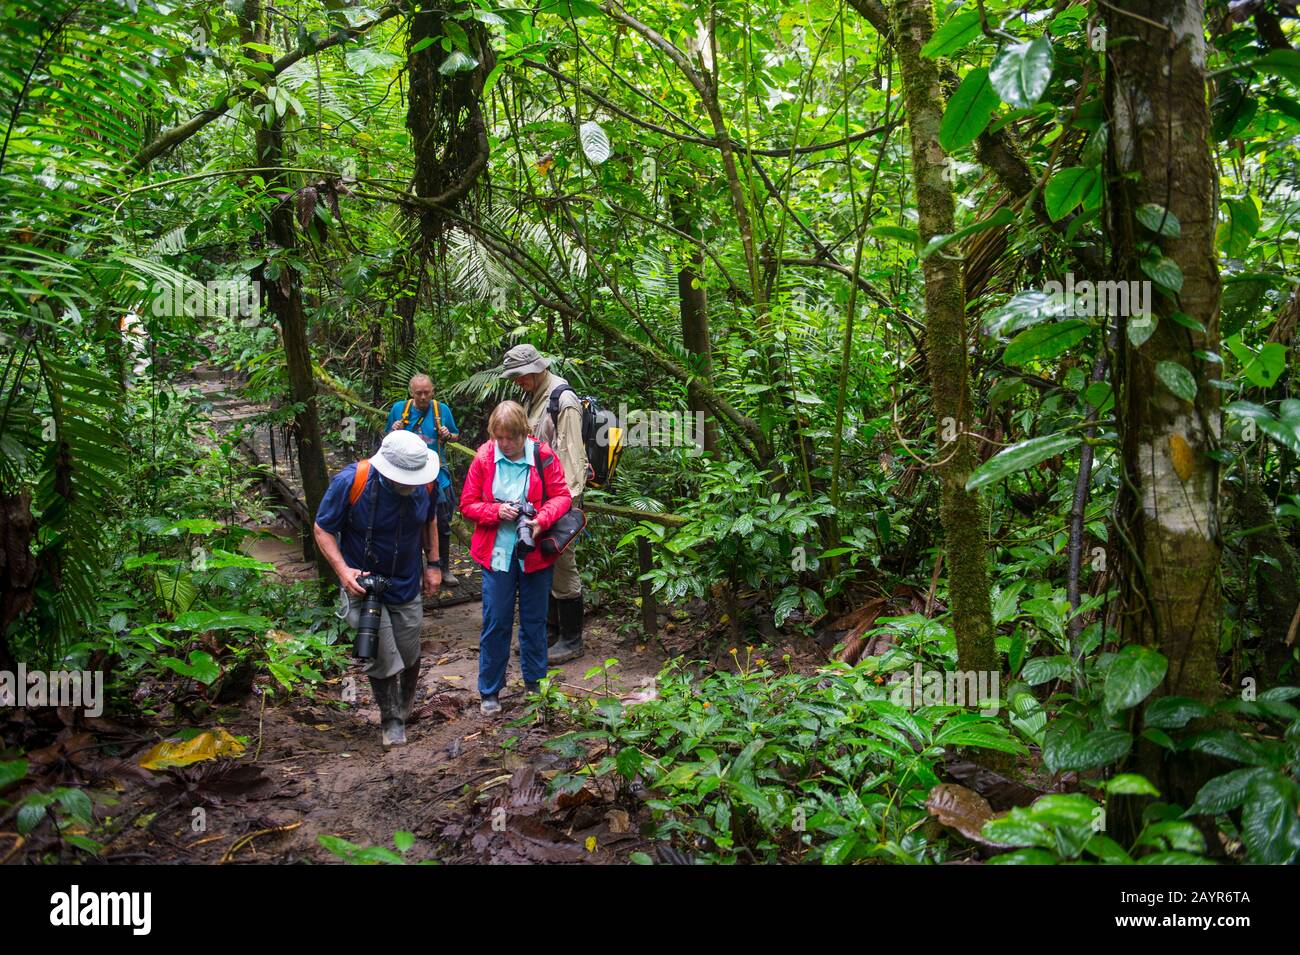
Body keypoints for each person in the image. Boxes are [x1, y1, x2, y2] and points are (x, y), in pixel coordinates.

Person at [313, 430, 442, 748]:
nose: (411, 484)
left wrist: (434, 564)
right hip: (364, 584)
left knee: (410, 651)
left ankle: (405, 704)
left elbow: (430, 520)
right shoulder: (352, 482)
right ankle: (391, 720)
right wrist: (343, 571)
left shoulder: (427, 483)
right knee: (383, 652)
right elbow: (322, 528)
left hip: (406, 580)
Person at [459, 401, 571, 715]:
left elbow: (562, 496)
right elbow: (467, 504)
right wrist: (496, 511)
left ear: (524, 432)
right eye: (499, 438)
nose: (505, 444)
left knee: (535, 621)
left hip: (533, 552)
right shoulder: (484, 457)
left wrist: (540, 521)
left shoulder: (542, 455)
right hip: (496, 552)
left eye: (511, 437)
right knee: (496, 620)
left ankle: (535, 683)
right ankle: (490, 690)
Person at [498, 344, 587, 663]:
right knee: (540, 561)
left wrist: (564, 508)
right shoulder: (532, 396)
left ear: (535, 370)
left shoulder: (563, 400)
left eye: (520, 376)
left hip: (559, 499)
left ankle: (572, 639)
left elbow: (574, 458)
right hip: (536, 497)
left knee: (562, 562)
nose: (517, 382)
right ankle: (550, 633)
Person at [387, 373, 461, 586]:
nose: (422, 397)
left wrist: (448, 435)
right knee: (411, 524)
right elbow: (387, 440)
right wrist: (393, 430)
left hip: (438, 476)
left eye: (426, 392)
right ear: (411, 393)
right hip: (407, 478)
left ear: (433, 391)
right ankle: (416, 570)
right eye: (418, 393)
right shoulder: (399, 410)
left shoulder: (442, 410)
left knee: (443, 523)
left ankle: (444, 569)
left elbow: (456, 436)